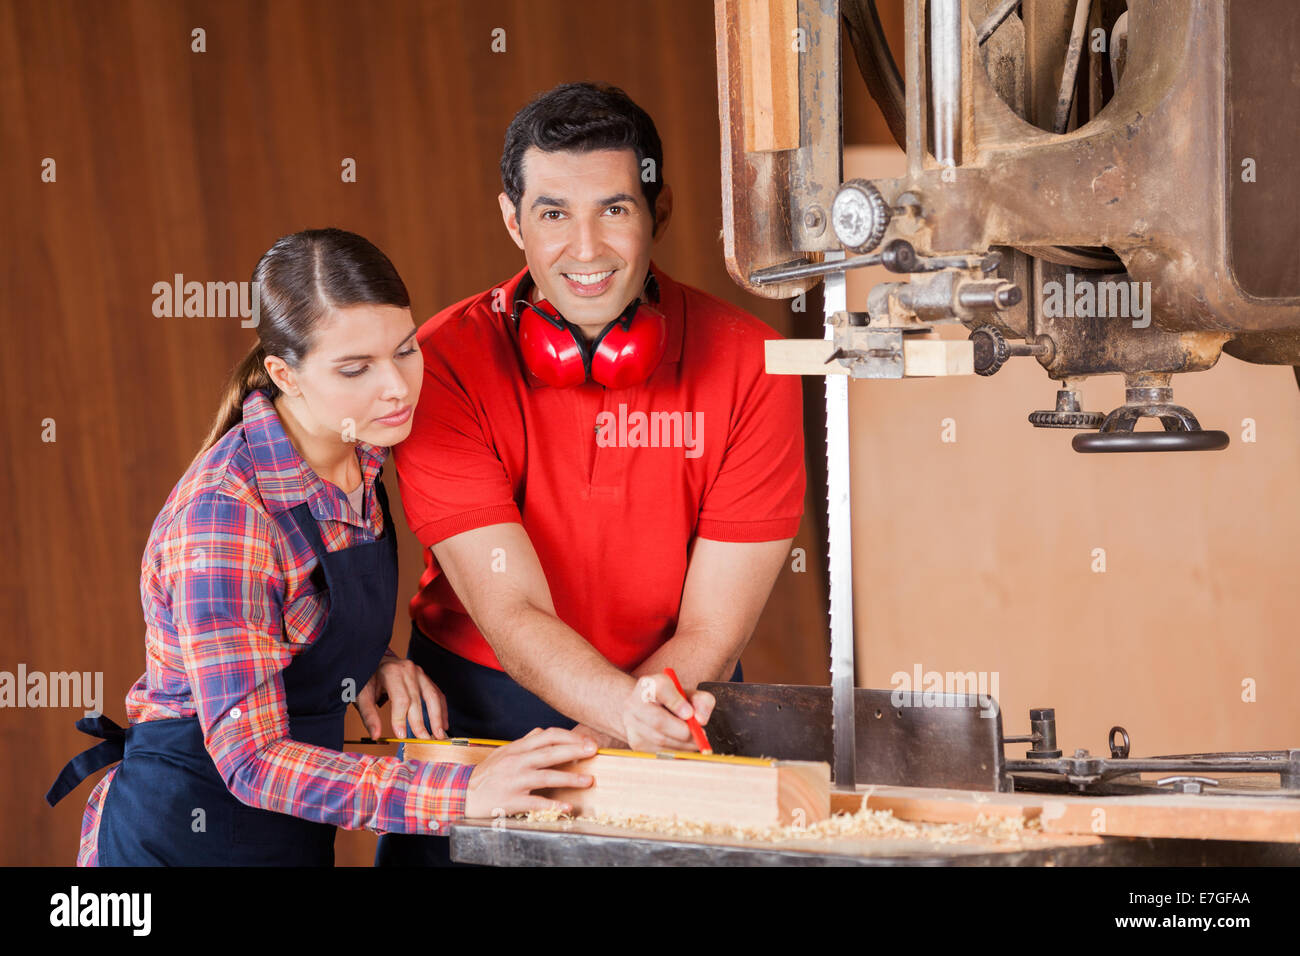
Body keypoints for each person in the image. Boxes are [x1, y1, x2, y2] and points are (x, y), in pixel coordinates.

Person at [45, 228, 593, 866]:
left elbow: (289, 605)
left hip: (289, 837)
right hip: (184, 835)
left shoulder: (362, 447)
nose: (397, 386)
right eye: (356, 368)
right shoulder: (225, 514)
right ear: (284, 374)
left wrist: (367, 657)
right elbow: (252, 763)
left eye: (407, 349)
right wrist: (465, 791)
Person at [374, 83, 806, 867]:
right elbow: (509, 610)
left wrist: (620, 729)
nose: (586, 248)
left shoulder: (753, 365)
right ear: (512, 219)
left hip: (676, 696)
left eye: (614, 209)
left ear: (659, 211)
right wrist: (614, 723)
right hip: (482, 710)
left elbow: (715, 627)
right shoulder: (443, 364)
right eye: (552, 213)